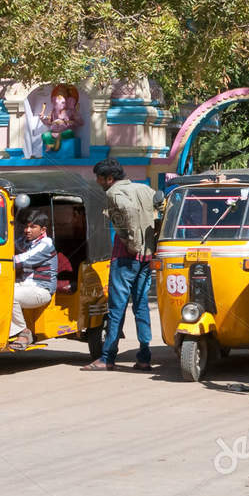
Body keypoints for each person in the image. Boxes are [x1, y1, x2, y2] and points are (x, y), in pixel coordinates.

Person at [87, 158, 160, 371]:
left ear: (109, 179)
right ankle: (144, 357)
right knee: (141, 306)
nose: (98, 182)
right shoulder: (144, 189)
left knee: (117, 308)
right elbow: (161, 207)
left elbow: (128, 212)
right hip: (146, 257)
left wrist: (133, 244)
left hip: (126, 256)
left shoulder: (113, 193)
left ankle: (107, 358)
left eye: (100, 178)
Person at [10, 210, 56, 350]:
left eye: (32, 227)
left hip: (41, 290)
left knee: (10, 297)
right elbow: (8, 246)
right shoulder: (24, 241)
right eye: (26, 227)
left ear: (43, 230)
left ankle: (24, 332)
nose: (27, 230)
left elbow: (22, 259)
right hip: (23, 285)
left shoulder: (46, 244)